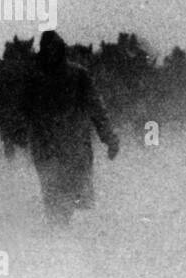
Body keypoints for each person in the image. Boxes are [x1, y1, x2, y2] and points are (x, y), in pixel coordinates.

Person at [21, 30, 119, 223]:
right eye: (48, 50)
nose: (51, 54)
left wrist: (110, 138)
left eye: (54, 49)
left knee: (72, 196)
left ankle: (63, 235)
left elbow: (96, 107)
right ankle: (59, 236)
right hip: (48, 147)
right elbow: (22, 110)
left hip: (71, 146)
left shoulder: (78, 75)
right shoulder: (34, 77)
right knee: (54, 197)